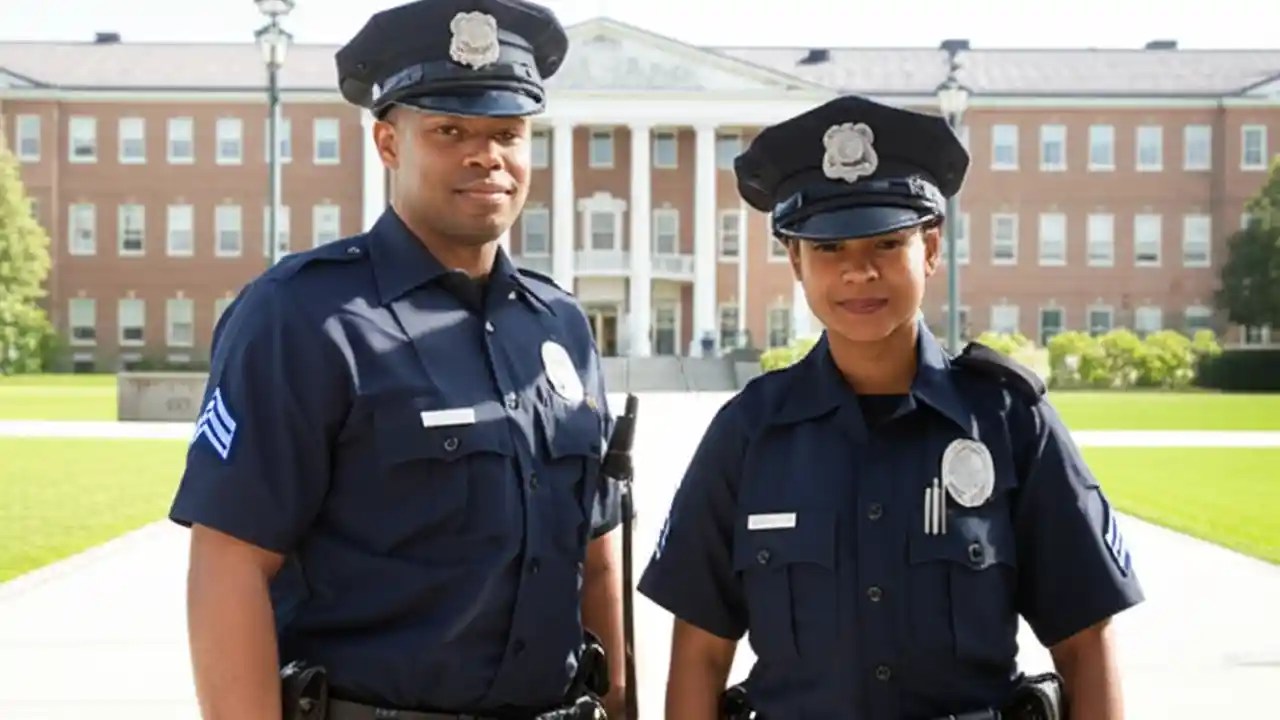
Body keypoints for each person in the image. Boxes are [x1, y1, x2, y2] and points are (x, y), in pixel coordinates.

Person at [168, 1, 629, 718]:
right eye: (450, 131)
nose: (487, 156)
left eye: (508, 133)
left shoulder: (560, 323)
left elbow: (595, 552)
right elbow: (229, 564)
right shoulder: (304, 317)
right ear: (388, 143)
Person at [636, 94, 1145, 719]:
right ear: (795, 261)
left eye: (884, 243)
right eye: (828, 249)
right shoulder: (749, 432)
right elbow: (700, 655)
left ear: (930, 250)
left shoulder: (1010, 422)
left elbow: (1086, 643)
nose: (858, 272)